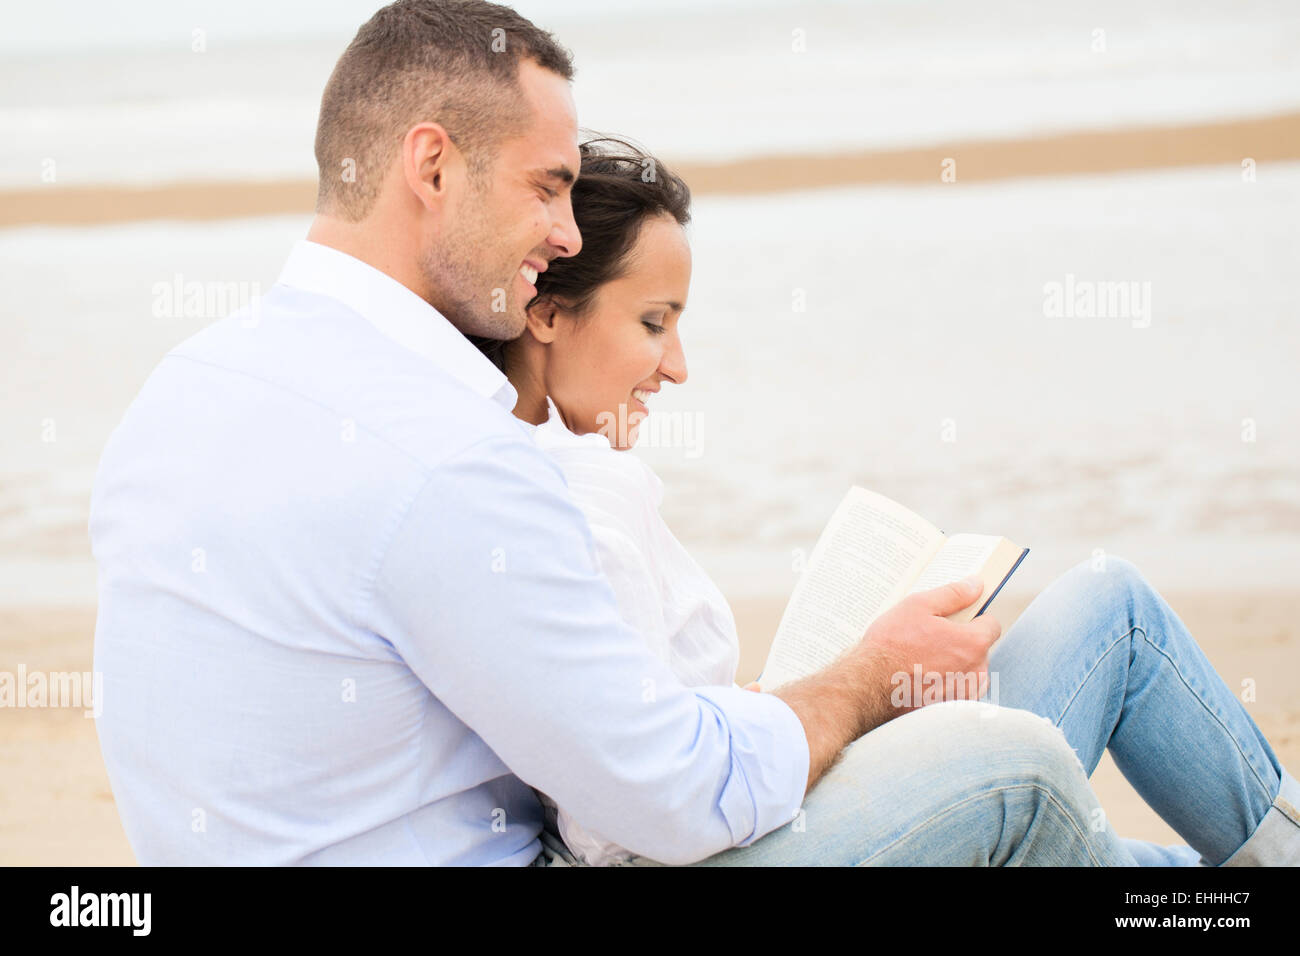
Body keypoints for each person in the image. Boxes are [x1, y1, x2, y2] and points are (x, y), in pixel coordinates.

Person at [87, 0, 1299, 867]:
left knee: (1083, 641)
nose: (566, 230)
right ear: (431, 166)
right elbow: (662, 802)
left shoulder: (183, 393)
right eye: (548, 184)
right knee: (1017, 764)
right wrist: (864, 680)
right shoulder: (446, 456)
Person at [480, 136, 1300, 868]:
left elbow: (643, 732)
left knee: (1110, 605)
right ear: (548, 315)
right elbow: (613, 828)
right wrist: (848, 696)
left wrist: (801, 703)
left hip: (746, 803)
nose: (679, 366)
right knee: (1042, 737)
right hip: (717, 848)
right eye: (654, 323)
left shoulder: (556, 468)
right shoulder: (576, 501)